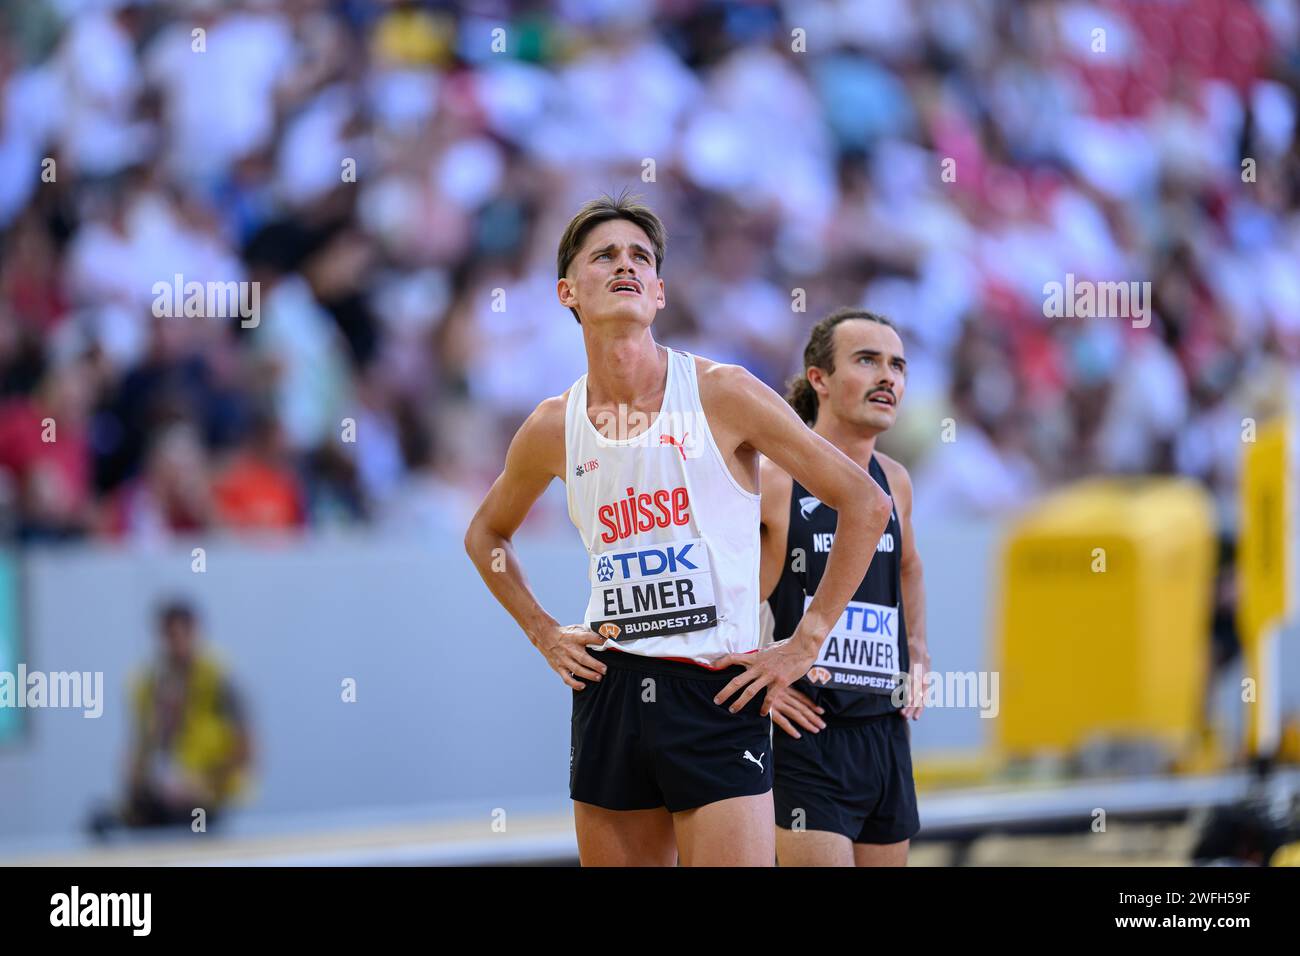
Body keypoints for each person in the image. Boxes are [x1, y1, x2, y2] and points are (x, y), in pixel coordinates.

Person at [463, 193, 892, 866]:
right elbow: (485, 536)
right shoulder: (553, 425)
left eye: (641, 257)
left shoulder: (723, 393)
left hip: (713, 685)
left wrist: (804, 641)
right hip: (608, 688)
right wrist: (543, 632)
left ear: (660, 291)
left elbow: (866, 504)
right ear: (567, 291)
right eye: (604, 256)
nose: (625, 266)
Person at [761, 308, 929, 866]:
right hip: (806, 731)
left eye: (897, 365)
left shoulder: (896, 480)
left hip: (883, 735)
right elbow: (713, 594)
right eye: (867, 361)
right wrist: (757, 677)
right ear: (819, 379)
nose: (888, 377)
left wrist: (919, 652)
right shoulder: (774, 477)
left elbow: (908, 566)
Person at [89, 599, 252, 837]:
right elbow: (140, 749)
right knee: (102, 821)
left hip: (206, 801)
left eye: (180, 635)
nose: (175, 645)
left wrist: (204, 783)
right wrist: (137, 782)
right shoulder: (147, 683)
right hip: (161, 796)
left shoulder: (219, 678)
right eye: (168, 636)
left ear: (194, 632)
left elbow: (246, 749)